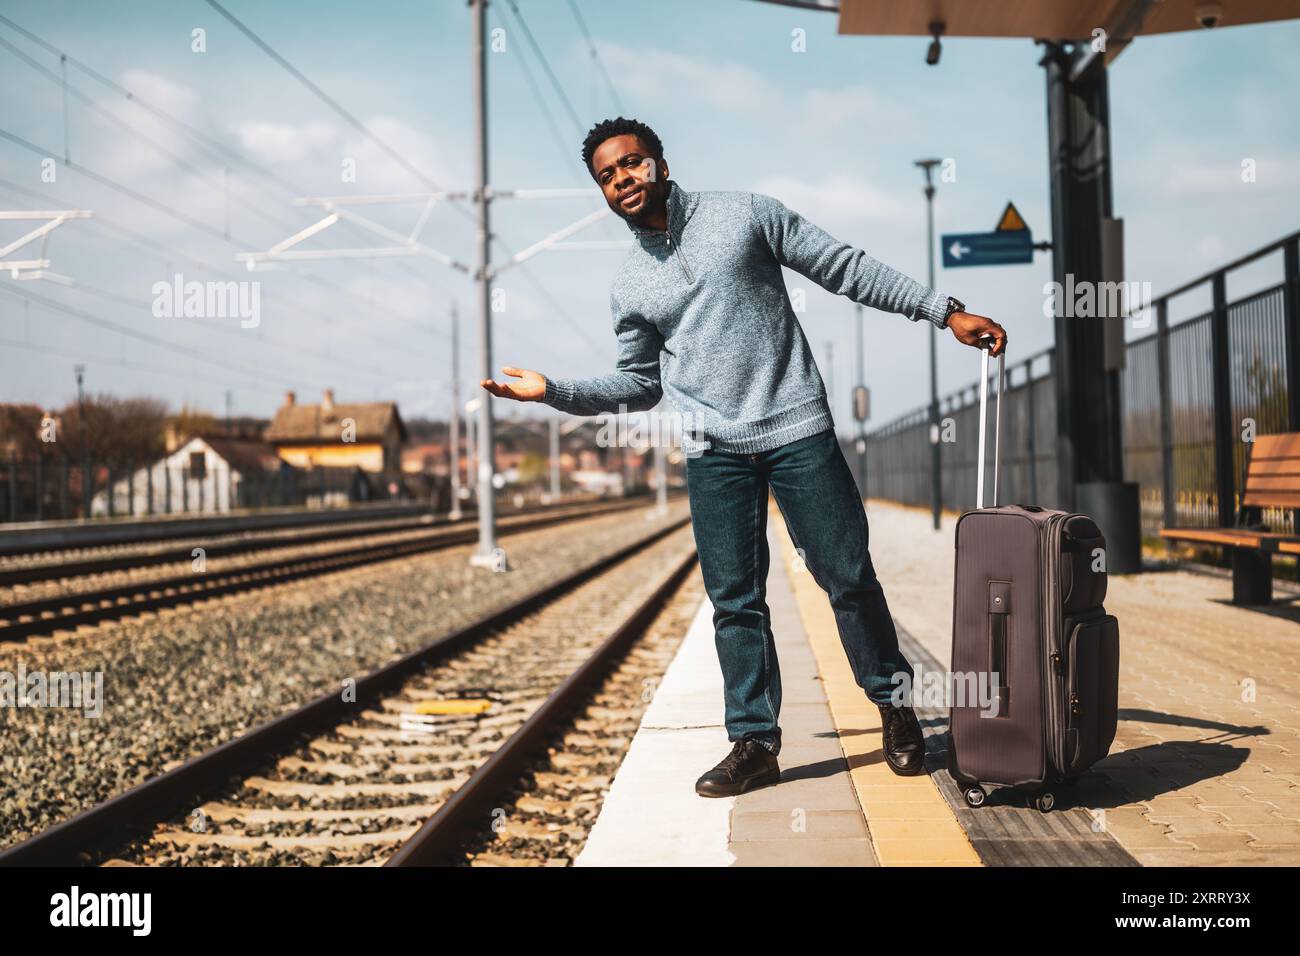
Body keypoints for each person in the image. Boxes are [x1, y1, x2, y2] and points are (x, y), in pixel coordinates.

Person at [481, 117, 1007, 798]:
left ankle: (895, 708)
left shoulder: (745, 214)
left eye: (633, 164)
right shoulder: (630, 285)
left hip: (797, 429)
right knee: (734, 601)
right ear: (604, 193)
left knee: (847, 578)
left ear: (661, 165)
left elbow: (844, 267)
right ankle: (754, 742)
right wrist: (553, 390)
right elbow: (640, 384)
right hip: (712, 450)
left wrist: (945, 311)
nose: (623, 180)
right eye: (609, 177)